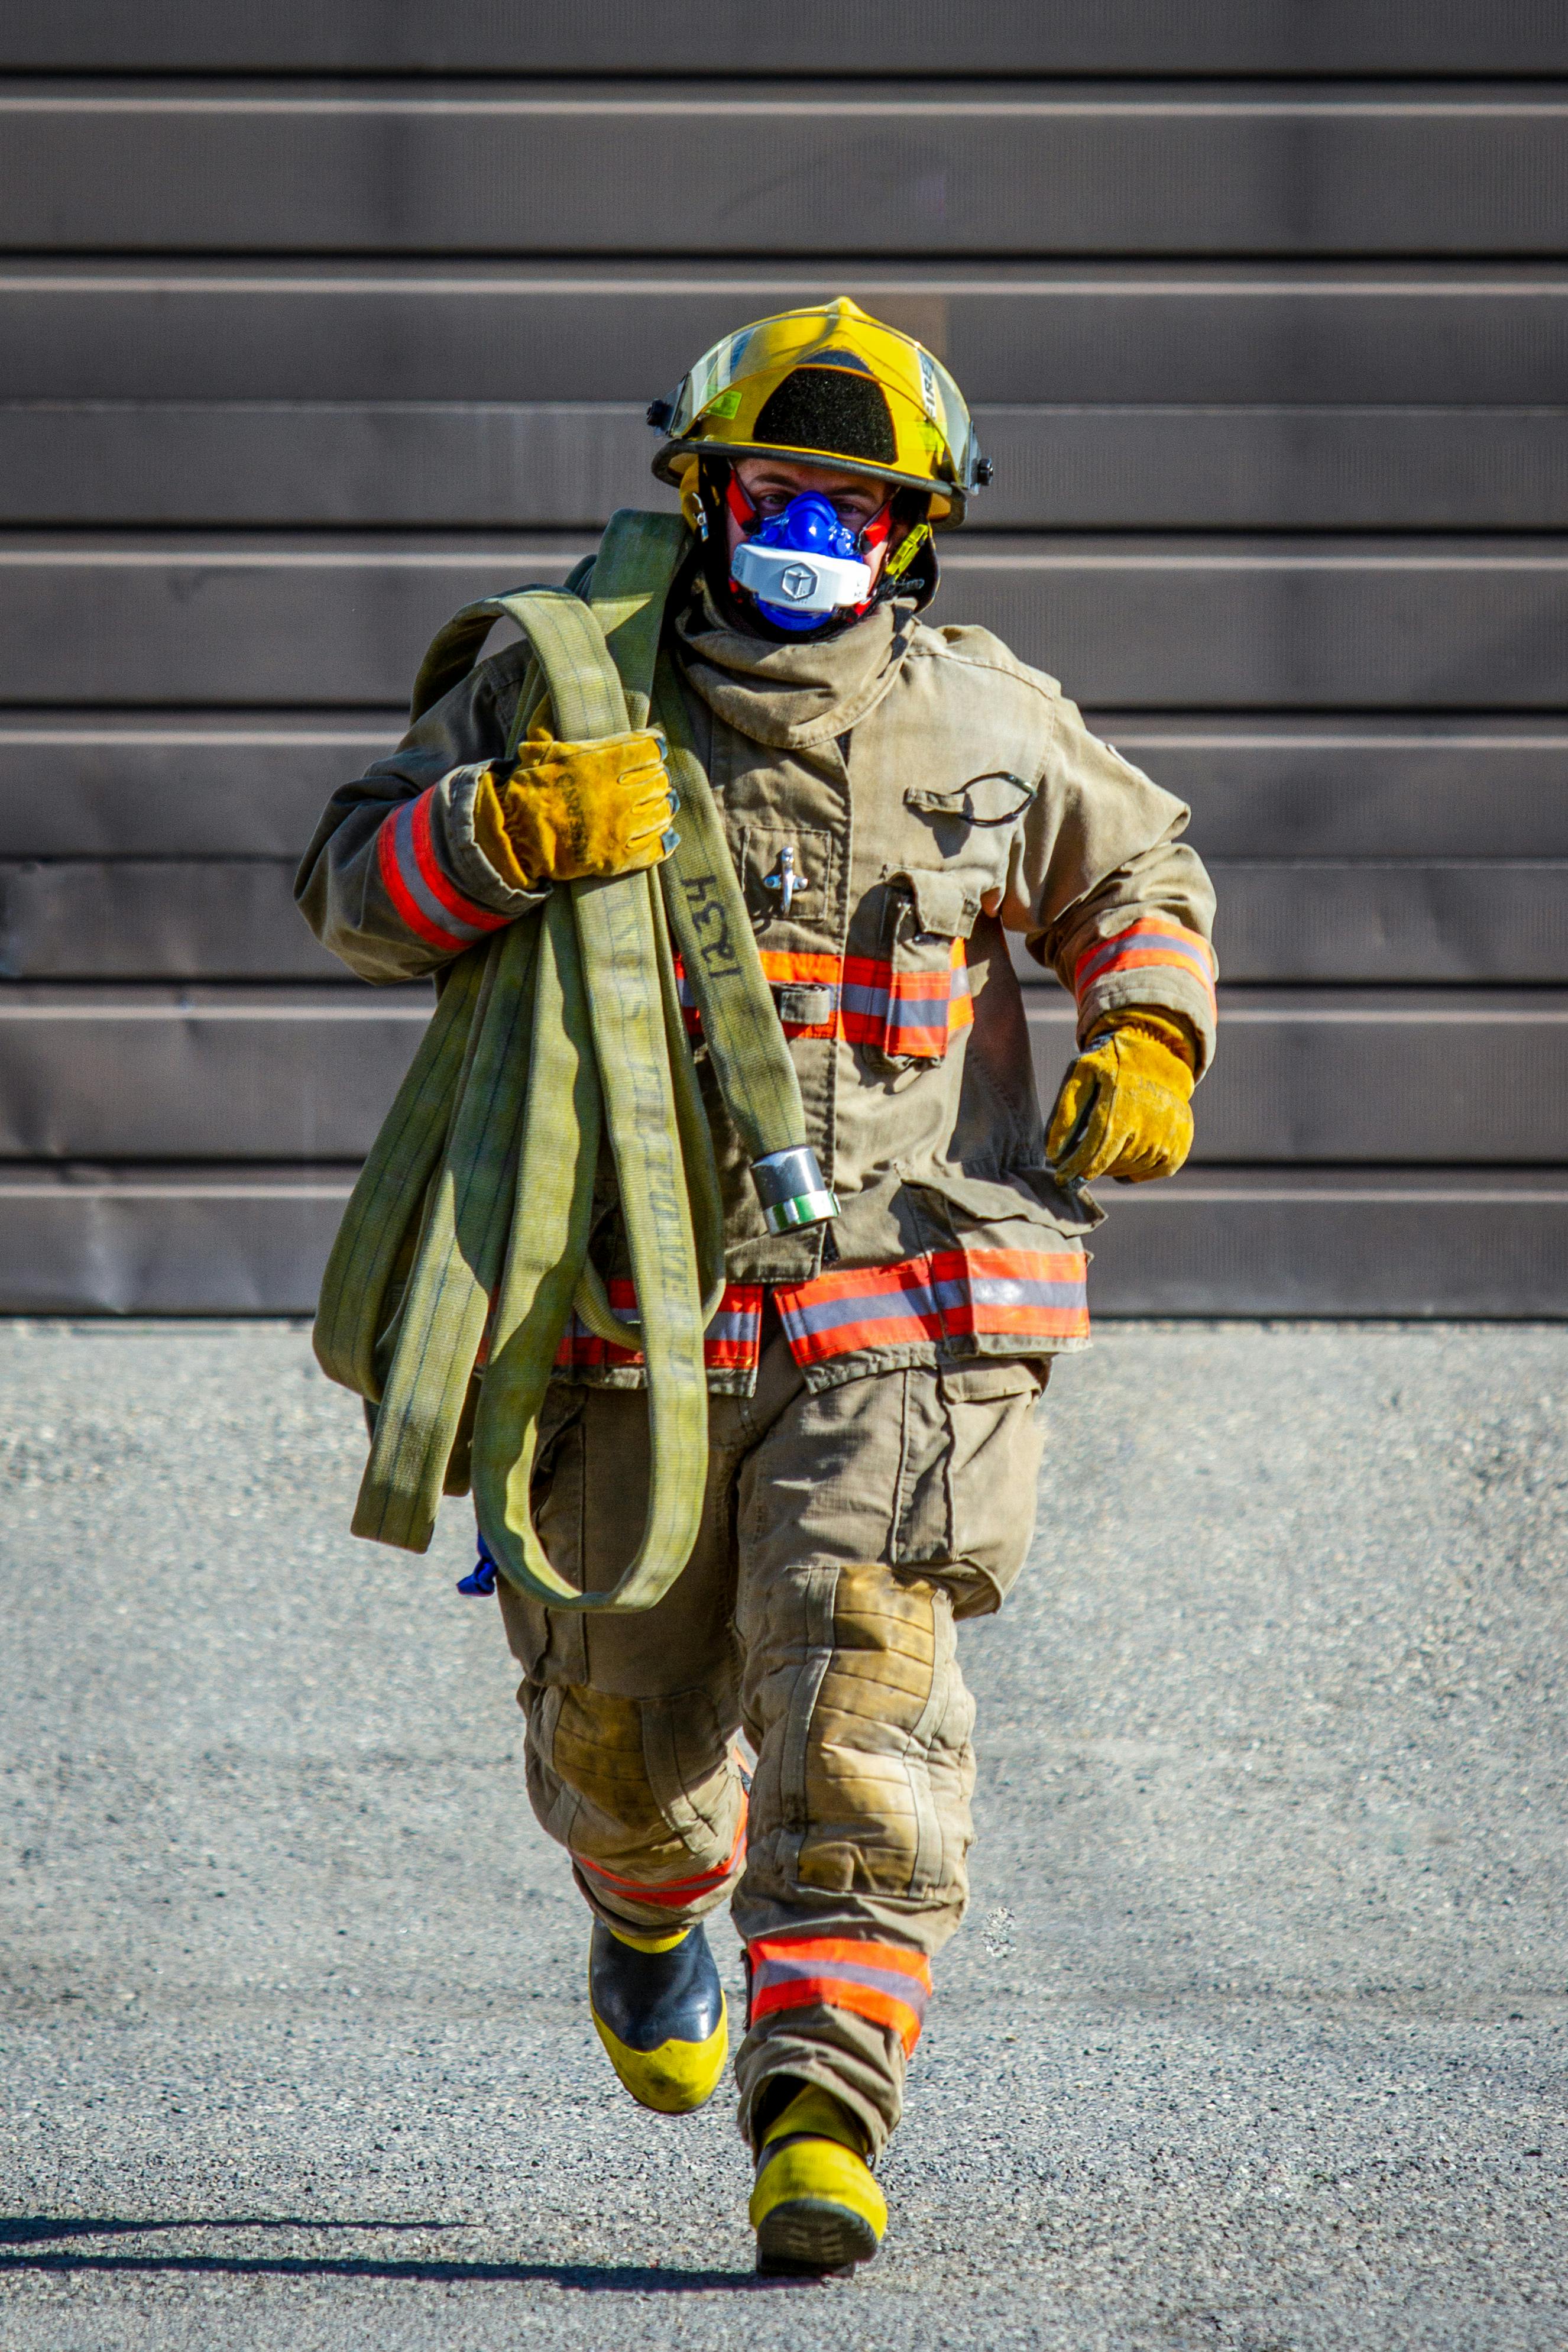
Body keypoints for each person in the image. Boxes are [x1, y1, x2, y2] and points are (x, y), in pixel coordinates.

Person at [296, 299, 1216, 2276]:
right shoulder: (564, 683)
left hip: (897, 1327)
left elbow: (1142, 876)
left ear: (915, 536)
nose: (811, 530)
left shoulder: (987, 719)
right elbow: (351, 884)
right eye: (777, 489)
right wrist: (501, 830)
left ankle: (819, 2112)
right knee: (620, 1758)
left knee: (864, 1694)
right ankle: (651, 1906)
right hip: (615, 1327)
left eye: (853, 504)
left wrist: (1147, 1035)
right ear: (703, 497)